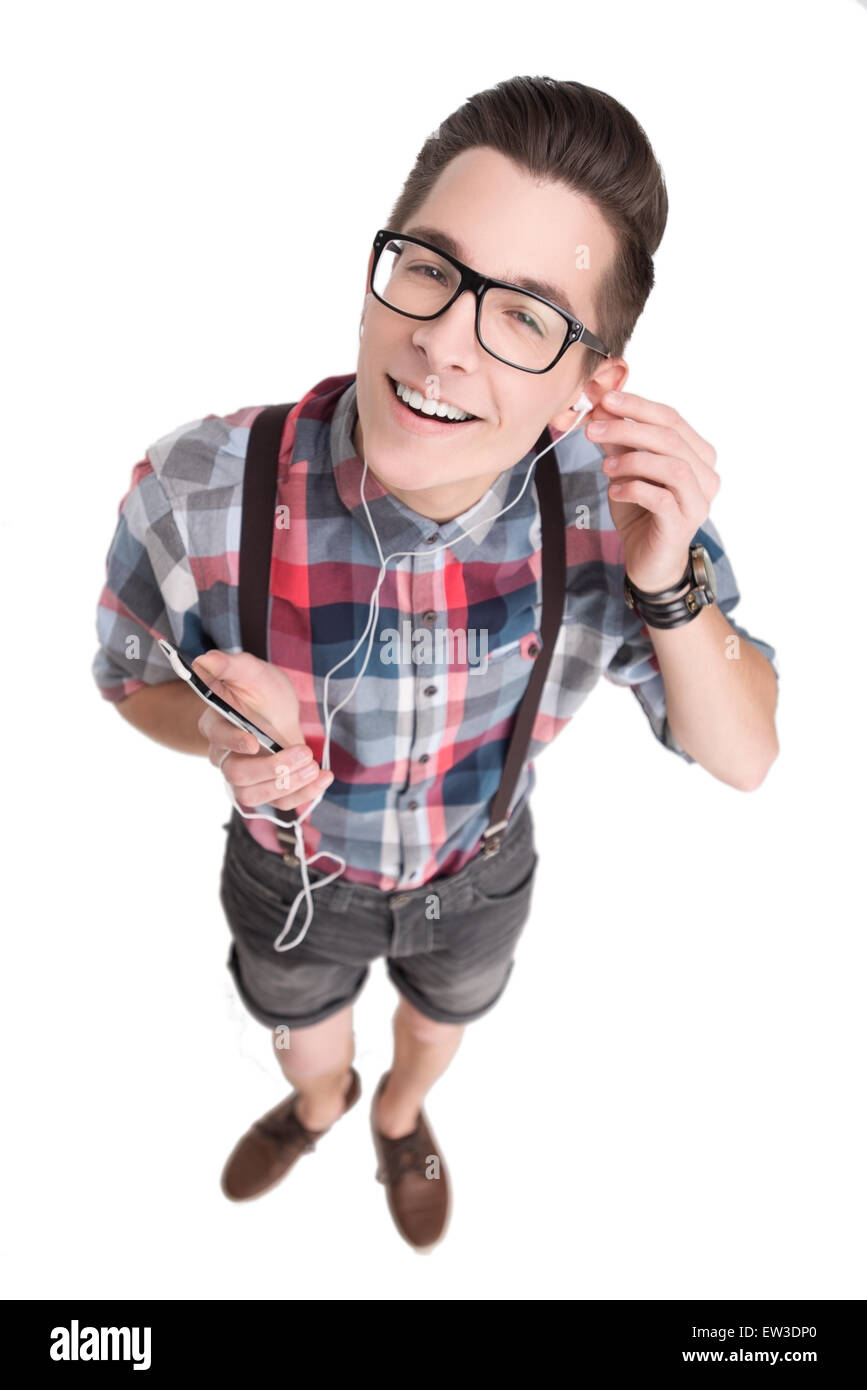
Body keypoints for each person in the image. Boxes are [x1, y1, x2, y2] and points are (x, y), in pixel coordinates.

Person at [91, 75, 780, 1252]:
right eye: (429, 269)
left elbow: (746, 754)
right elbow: (126, 680)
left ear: (591, 380)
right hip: (290, 870)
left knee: (440, 1019)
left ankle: (401, 1113)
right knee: (299, 1025)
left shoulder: (615, 515)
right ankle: (321, 1102)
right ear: (382, 267)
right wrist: (209, 723)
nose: (443, 340)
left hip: (479, 869)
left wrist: (668, 581)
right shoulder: (198, 484)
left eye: (525, 315)